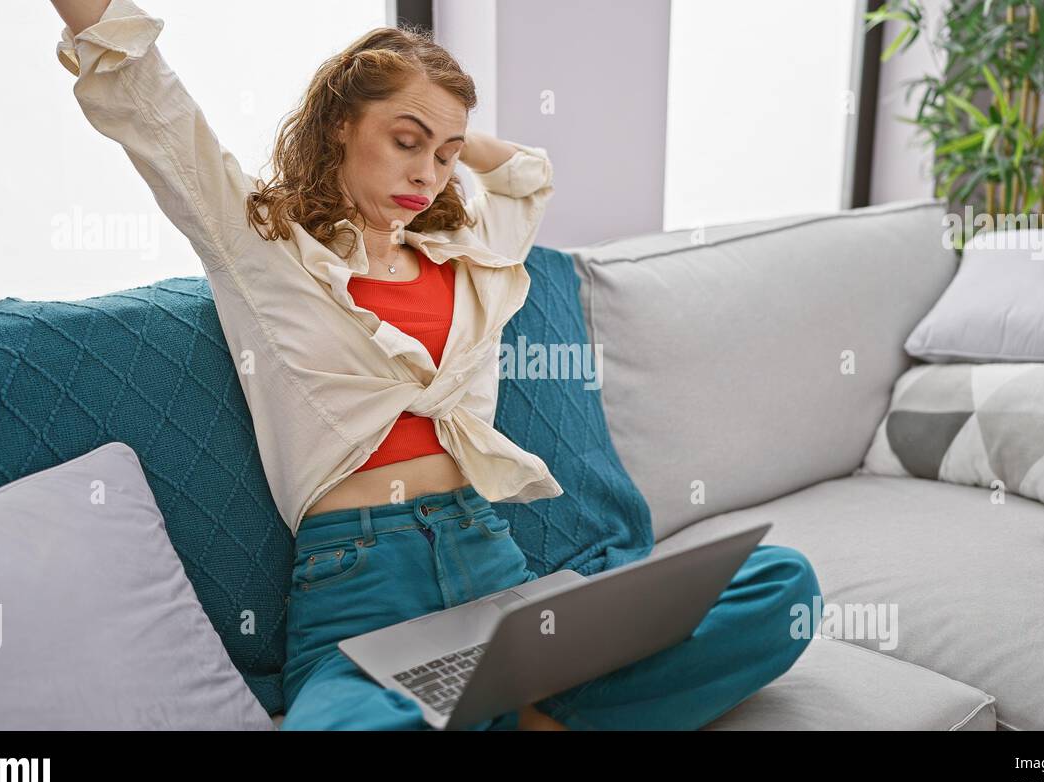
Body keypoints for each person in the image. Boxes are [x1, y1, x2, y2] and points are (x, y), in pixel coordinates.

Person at [48, 0, 823, 731]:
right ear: (340, 124)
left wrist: (447, 129)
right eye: (405, 140)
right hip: (358, 594)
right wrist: (411, 103)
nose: (429, 174)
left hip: (493, 569)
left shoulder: (469, 257)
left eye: (446, 155)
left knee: (780, 583)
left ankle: (533, 711)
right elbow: (148, 101)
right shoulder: (264, 248)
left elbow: (526, 176)